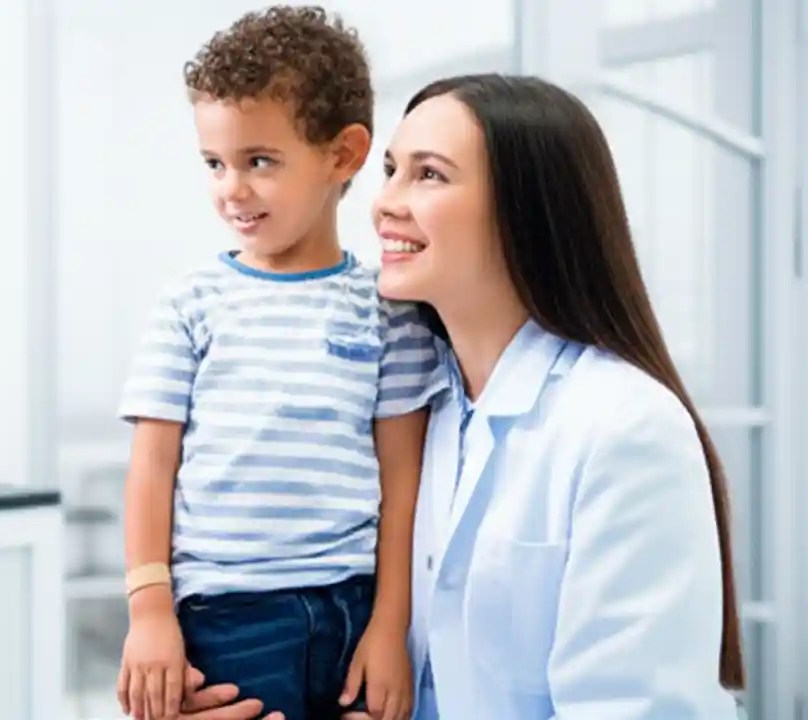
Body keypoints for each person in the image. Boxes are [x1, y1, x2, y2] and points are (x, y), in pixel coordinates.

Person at [374, 73, 744, 719]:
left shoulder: (624, 426)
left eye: (428, 174)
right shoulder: (410, 410)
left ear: (526, 210)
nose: (385, 203)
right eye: (390, 170)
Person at [116, 7, 443, 720]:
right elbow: (151, 469)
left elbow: (403, 483)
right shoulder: (190, 305)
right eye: (215, 163)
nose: (231, 187)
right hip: (228, 620)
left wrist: (391, 628)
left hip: (355, 611)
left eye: (259, 161)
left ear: (343, 155)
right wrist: (149, 613)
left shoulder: (389, 310)